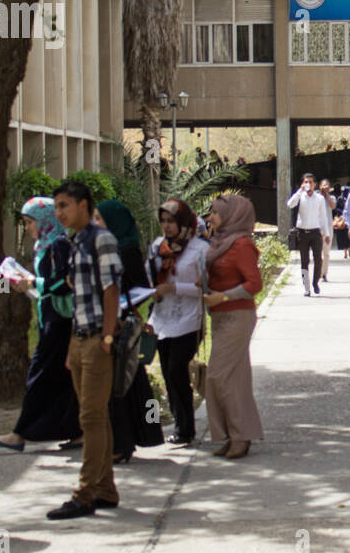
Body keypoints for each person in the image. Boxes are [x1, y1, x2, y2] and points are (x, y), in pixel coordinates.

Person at [47, 181, 122, 520]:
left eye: (64, 205)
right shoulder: (75, 242)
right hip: (79, 339)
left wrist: (106, 337)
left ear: (82, 205)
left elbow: (111, 289)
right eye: (56, 206)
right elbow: (80, 298)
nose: (59, 213)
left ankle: (84, 494)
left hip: (96, 340)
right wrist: (71, 346)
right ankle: (105, 489)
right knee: (96, 417)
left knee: (90, 418)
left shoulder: (100, 239)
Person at [0, 198, 80, 452]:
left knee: (38, 377)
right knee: (61, 378)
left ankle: (19, 434)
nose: (28, 228)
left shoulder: (59, 245)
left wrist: (32, 283)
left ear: (45, 220)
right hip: (48, 316)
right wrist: (28, 285)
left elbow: (64, 283)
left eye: (31, 222)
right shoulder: (44, 245)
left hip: (59, 321)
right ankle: (74, 431)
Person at [95, 199, 165, 463]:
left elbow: (138, 288)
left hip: (120, 326)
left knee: (121, 386)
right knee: (125, 384)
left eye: (99, 219)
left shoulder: (126, 251)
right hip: (113, 322)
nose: (95, 224)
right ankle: (128, 440)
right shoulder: (108, 249)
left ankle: (122, 444)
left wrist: (126, 312)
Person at [201, 194, 264, 459]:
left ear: (232, 216)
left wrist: (224, 297)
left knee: (218, 376)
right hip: (219, 317)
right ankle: (235, 435)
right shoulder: (218, 242)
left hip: (237, 316)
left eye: (216, 213)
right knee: (235, 378)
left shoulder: (241, 244)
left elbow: (255, 283)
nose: (211, 217)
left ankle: (238, 435)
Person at [147, 198, 207, 447]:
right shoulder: (157, 246)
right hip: (161, 319)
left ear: (183, 222)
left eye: (171, 221)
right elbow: (150, 276)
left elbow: (206, 287)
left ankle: (186, 428)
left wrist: (175, 288)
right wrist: (154, 289)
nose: (167, 226)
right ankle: (179, 425)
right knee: (168, 374)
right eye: (163, 221)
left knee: (176, 369)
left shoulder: (200, 249)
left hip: (189, 320)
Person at [287, 171, 332, 296]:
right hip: (302, 232)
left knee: (318, 259)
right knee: (304, 261)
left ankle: (315, 282)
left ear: (315, 184)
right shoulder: (300, 196)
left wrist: (326, 234)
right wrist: (299, 191)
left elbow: (323, 217)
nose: (308, 184)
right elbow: (290, 204)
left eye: (310, 182)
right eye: (306, 182)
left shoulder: (320, 198)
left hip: (315, 232)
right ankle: (306, 287)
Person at [318, 179, 336, 282]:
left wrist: (327, 195)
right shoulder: (316, 197)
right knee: (318, 252)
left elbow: (333, 206)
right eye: (324, 185)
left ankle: (324, 274)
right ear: (320, 186)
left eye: (328, 186)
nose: (326, 187)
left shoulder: (332, 197)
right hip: (317, 227)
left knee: (326, 252)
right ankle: (318, 273)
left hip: (328, 227)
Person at [333, 185, 350, 259]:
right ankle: (345, 252)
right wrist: (343, 212)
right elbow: (336, 208)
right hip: (342, 219)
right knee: (343, 236)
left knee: (349, 235)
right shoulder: (340, 199)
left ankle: (349, 249)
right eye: (349, 191)